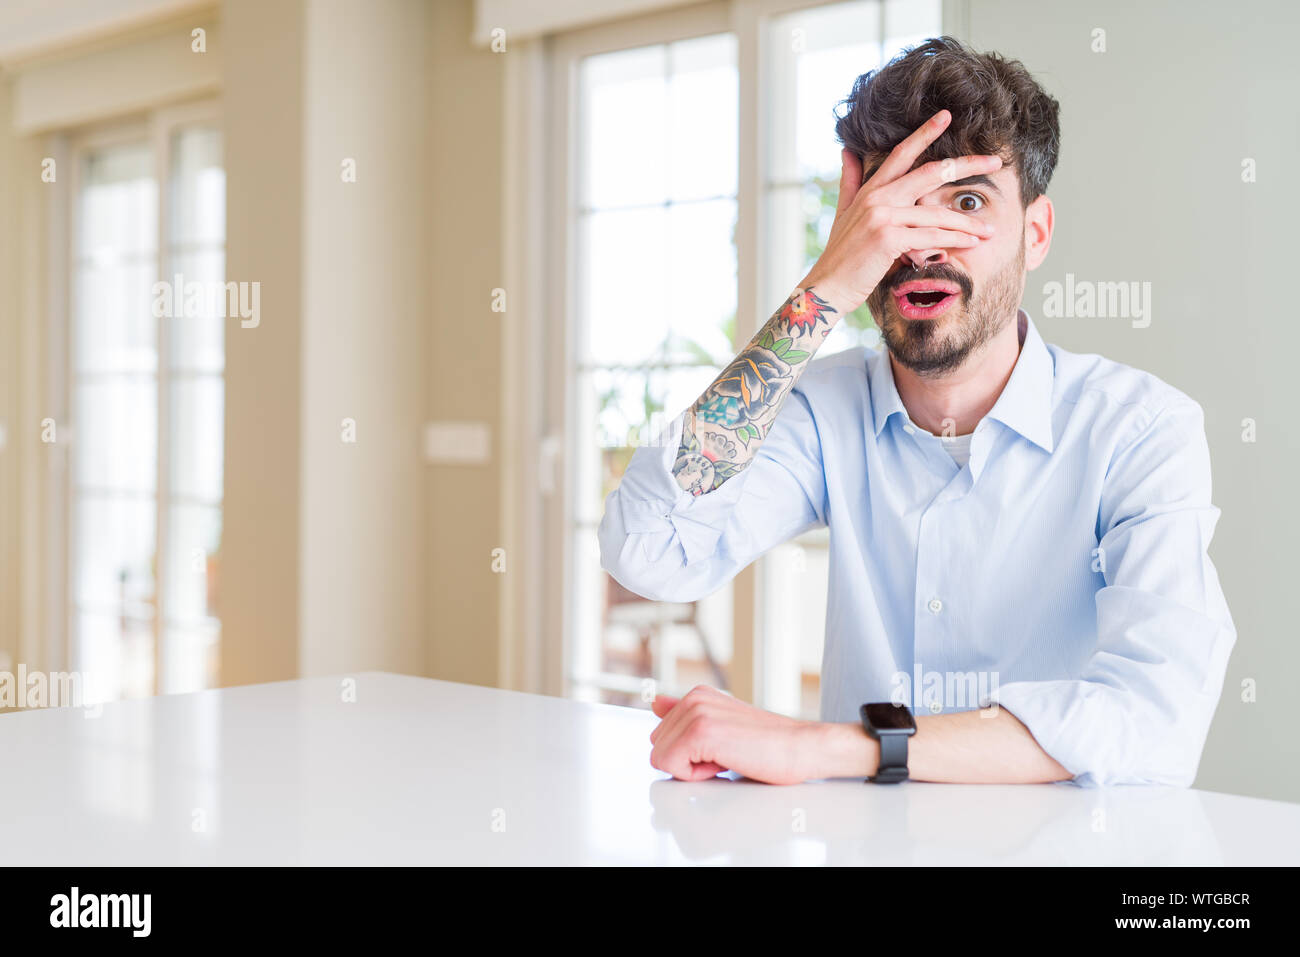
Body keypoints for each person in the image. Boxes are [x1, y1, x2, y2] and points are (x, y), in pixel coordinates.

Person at [597, 37, 1235, 787]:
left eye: (966, 202)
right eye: (893, 207)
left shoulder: (1140, 430)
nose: (921, 245)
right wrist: (824, 289)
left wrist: (836, 746)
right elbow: (646, 548)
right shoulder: (824, 408)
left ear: (1036, 234)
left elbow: (1152, 723)